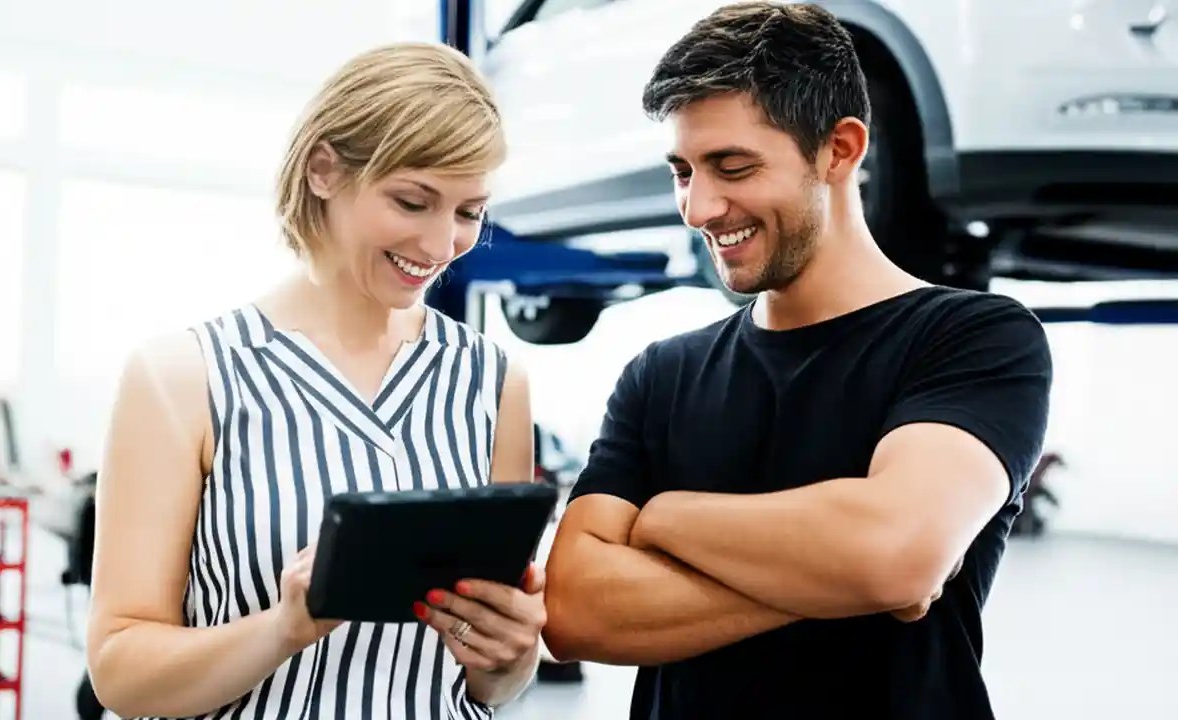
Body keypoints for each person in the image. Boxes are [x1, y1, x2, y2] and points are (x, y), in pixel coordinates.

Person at [541, 3, 1053, 719]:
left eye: (733, 166)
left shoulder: (974, 337)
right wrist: (846, 573)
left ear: (840, 150)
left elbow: (894, 553)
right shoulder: (661, 375)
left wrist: (665, 520)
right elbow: (573, 613)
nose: (698, 207)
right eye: (682, 170)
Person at [85, 42, 546, 720]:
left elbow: (487, 688)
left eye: (469, 212)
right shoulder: (184, 377)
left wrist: (511, 657)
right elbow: (120, 673)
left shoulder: (492, 379)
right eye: (413, 201)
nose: (440, 244)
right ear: (324, 170)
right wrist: (283, 629)